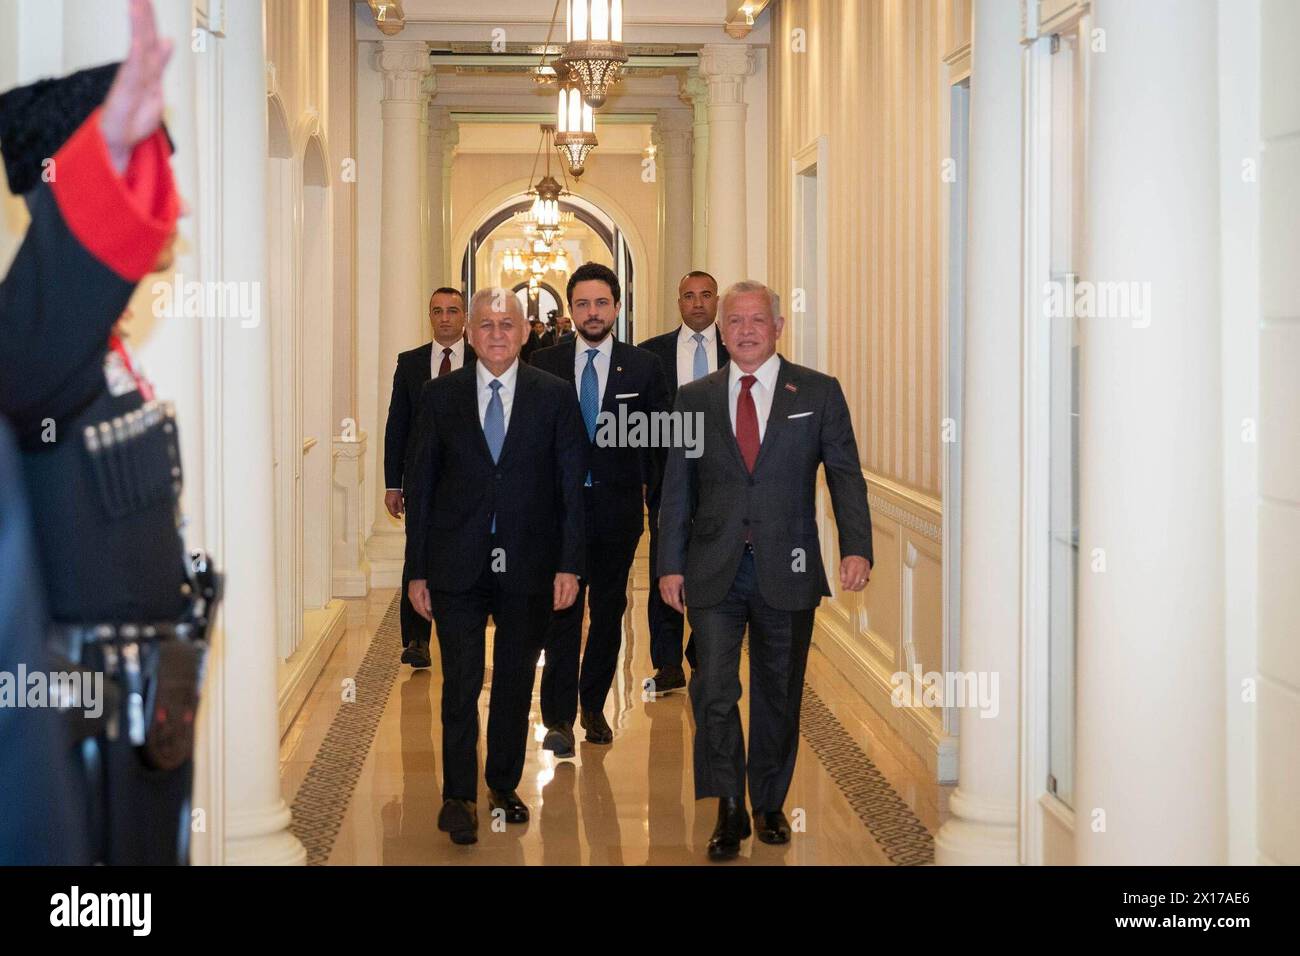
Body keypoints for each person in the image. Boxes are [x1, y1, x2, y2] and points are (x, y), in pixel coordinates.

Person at [0, 0, 217, 866]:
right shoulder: (37, 341)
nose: (179, 202)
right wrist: (112, 158)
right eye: (147, 169)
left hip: (136, 709)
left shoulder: (103, 350)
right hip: (73, 718)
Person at [657, 280, 873, 862]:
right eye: (735, 321)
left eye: (758, 320)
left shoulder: (819, 392)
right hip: (713, 569)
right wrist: (668, 564)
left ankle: (769, 802)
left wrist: (858, 546)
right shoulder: (693, 398)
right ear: (722, 331)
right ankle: (729, 806)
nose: (746, 330)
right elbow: (676, 486)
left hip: (789, 565)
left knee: (779, 692)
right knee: (715, 691)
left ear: (779, 327)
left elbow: (845, 474)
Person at [404, 288, 587, 845]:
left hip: (530, 565)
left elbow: (571, 488)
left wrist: (570, 566)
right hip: (455, 565)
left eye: (508, 323)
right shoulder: (440, 397)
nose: (497, 333)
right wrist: (416, 571)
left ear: (527, 331)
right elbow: (422, 486)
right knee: (459, 683)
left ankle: (503, 784)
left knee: (512, 681)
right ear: (469, 332)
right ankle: (457, 796)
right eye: (485, 324)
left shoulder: (554, 396)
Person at [531, 262, 669, 756]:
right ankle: (558, 718)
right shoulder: (543, 365)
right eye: (583, 304)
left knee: (608, 611)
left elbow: (660, 445)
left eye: (601, 303)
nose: (593, 312)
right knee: (560, 610)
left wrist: (663, 506)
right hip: (558, 514)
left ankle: (594, 707)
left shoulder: (645, 367)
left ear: (615, 307)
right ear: (571, 309)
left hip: (617, 512)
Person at [637, 270, 730, 694]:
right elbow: (637, 424)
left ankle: (699, 650)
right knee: (666, 566)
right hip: (668, 483)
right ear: (678, 302)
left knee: (718, 569)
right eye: (689, 296)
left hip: (724, 485)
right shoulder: (651, 355)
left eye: (705, 295)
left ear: (716, 301)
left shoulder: (738, 351)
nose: (697, 303)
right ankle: (668, 662)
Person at [383, 287, 474, 668]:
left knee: (466, 554)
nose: (445, 318)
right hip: (422, 477)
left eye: (453, 311)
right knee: (417, 552)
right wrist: (393, 482)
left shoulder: (483, 361)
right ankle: (417, 640)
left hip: (469, 479)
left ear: (464, 316)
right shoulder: (410, 363)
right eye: (438, 311)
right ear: (430, 316)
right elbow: (397, 425)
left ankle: (462, 630)